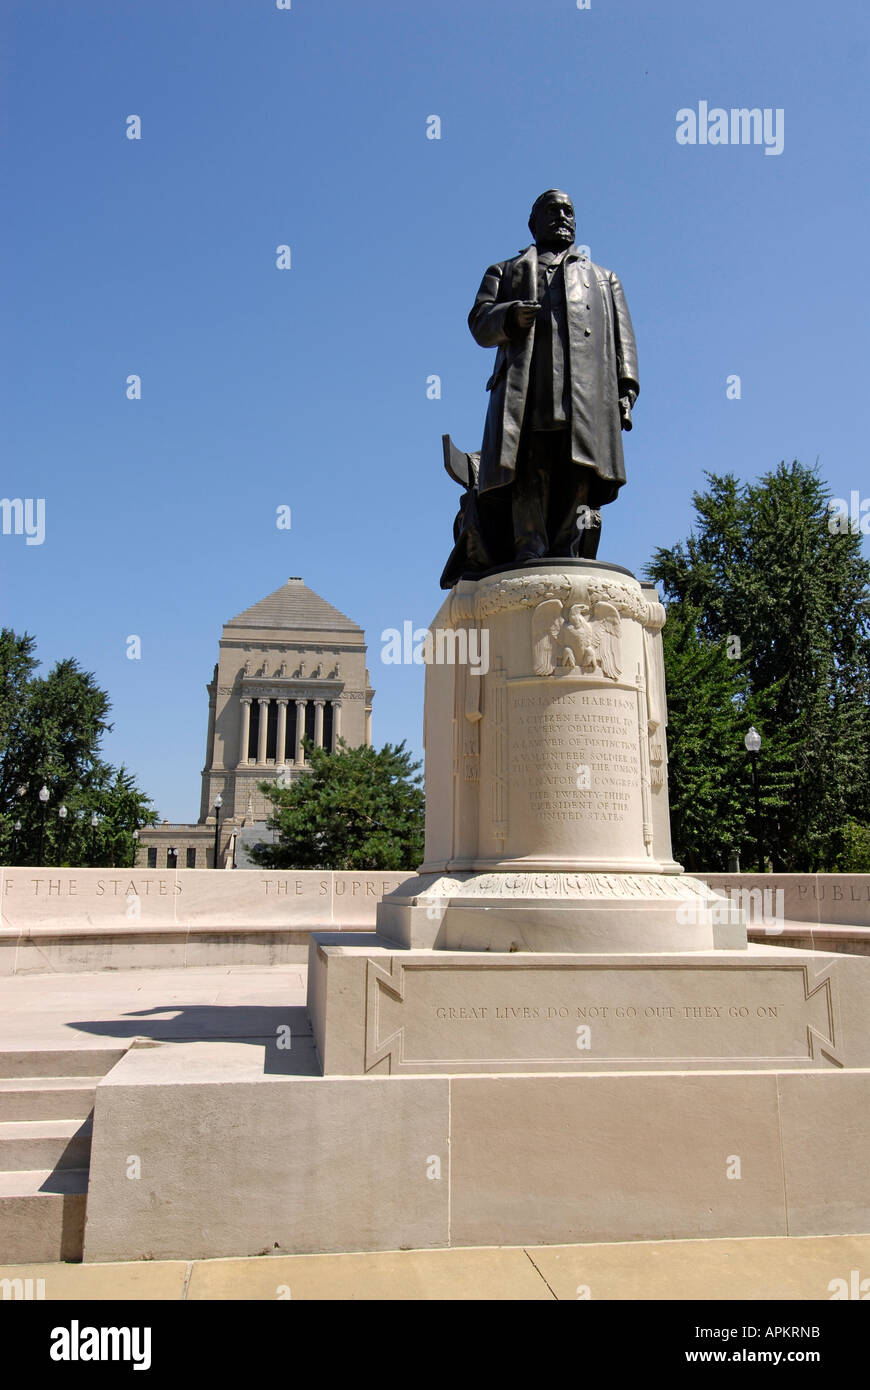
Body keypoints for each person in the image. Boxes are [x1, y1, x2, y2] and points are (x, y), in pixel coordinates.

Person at [463, 189, 639, 569]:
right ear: (533, 222)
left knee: (581, 470)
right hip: (528, 390)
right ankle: (530, 551)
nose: (563, 216)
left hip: (587, 394)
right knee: (530, 466)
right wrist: (509, 316)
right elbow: (479, 323)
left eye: (569, 211)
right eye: (553, 210)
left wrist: (626, 391)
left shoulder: (604, 278)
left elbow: (623, 340)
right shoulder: (506, 270)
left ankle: (567, 551)